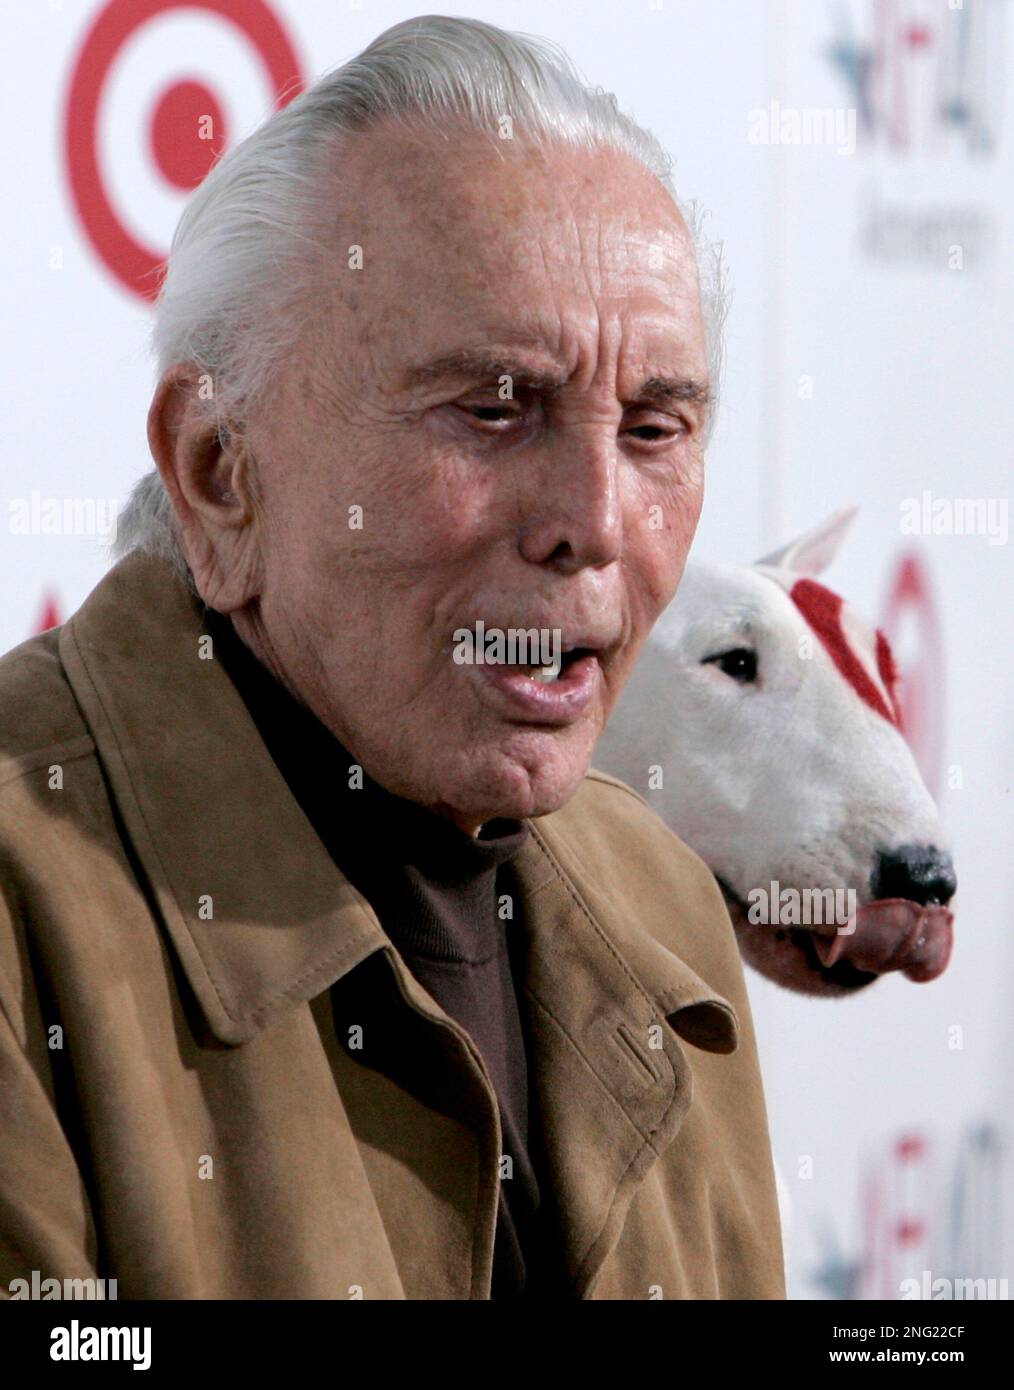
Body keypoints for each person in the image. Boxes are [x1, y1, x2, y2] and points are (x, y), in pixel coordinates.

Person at [0, 15, 784, 1300]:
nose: (594, 520)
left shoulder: (660, 899)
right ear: (218, 469)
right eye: (493, 406)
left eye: (654, 428)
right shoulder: (20, 903)